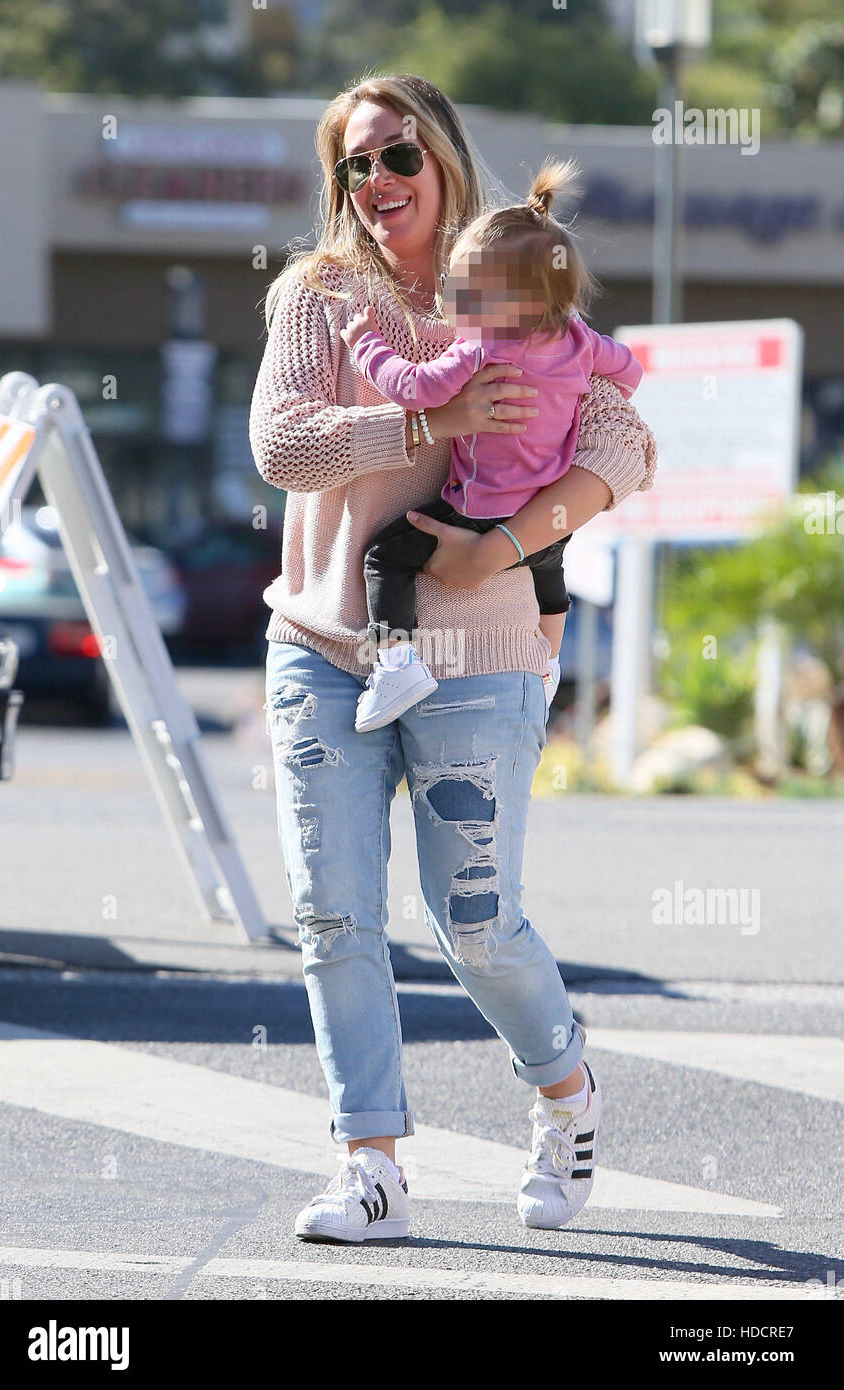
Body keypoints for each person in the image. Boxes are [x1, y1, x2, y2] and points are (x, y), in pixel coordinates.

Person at [249, 72, 656, 1244]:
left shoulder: (512, 278)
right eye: (352, 166)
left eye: (396, 156)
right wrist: (426, 424)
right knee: (333, 917)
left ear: (443, 157)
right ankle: (367, 1161)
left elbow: (623, 442)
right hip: (325, 644)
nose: (375, 182)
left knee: (472, 917)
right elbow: (281, 442)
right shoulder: (320, 297)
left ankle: (565, 1090)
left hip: (479, 649)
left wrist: (501, 554)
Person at [342, 156, 643, 734]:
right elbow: (628, 372)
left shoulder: (483, 347)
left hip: (479, 507)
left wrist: (365, 343)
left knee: (385, 555)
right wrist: (571, 395)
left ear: (519, 298)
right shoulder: (578, 339)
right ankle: (548, 666)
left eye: (467, 290)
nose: (454, 300)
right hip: (545, 512)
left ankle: (396, 663)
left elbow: (414, 387)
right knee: (551, 585)